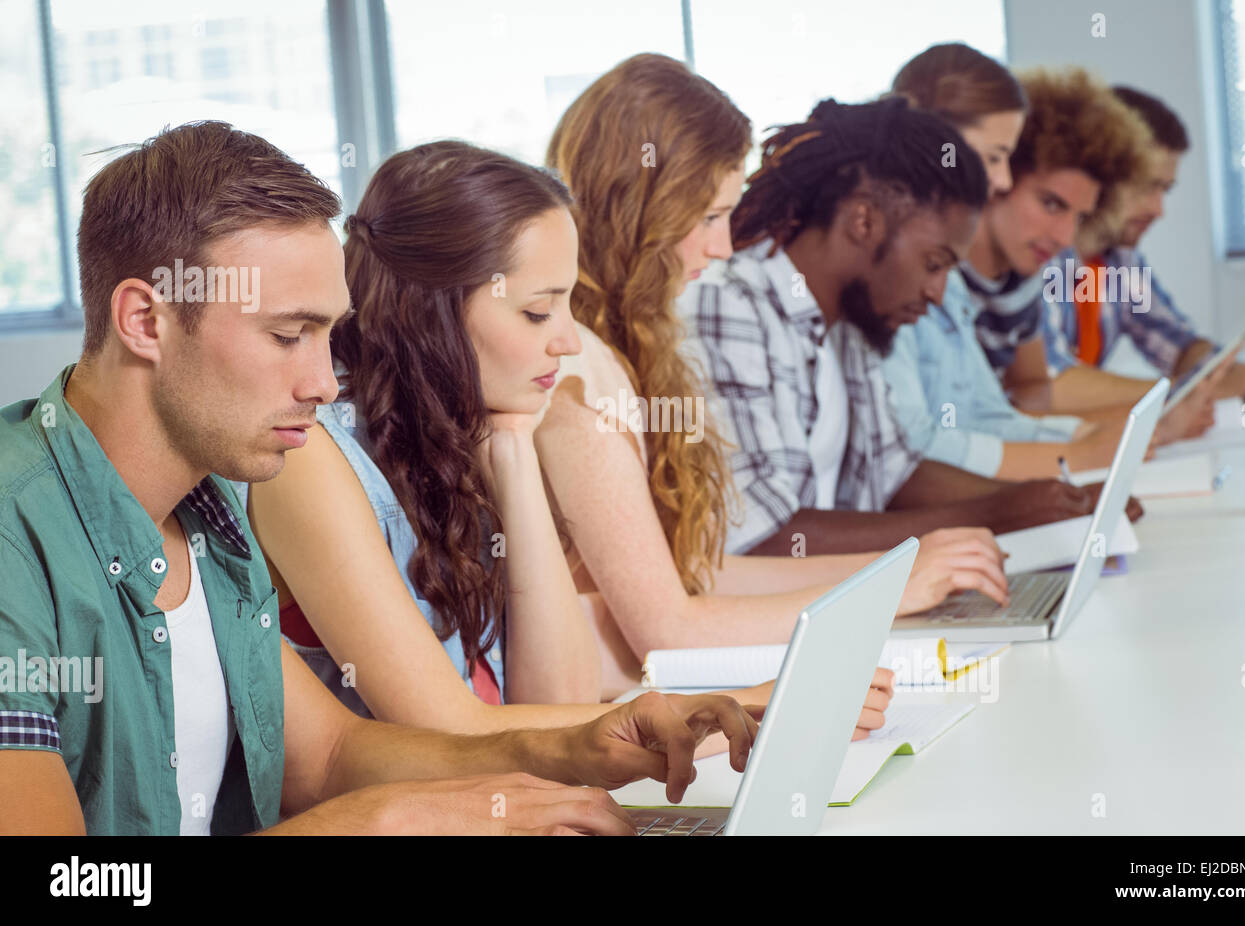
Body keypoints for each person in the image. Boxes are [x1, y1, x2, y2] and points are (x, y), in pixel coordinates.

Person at [0, 121, 758, 836]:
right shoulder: (14, 536)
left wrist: (577, 749)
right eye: (288, 335)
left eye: (328, 334)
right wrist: (374, 823)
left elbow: (328, 755)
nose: (326, 382)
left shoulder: (206, 513)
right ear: (144, 321)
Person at [246, 137, 895, 738]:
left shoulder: (466, 431)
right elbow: (451, 737)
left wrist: (513, 452)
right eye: (536, 311)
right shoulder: (311, 459)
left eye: (568, 306)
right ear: (431, 315)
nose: (567, 340)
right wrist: (741, 709)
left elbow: (556, 695)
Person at [541, 53, 1009, 694]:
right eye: (706, 218)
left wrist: (891, 573)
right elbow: (668, 629)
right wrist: (895, 584)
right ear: (638, 208)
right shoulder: (577, 369)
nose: (724, 245)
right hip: (617, 714)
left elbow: (699, 572)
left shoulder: (630, 349)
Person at [679, 95, 1137, 561]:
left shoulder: (848, 326)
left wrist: (1057, 500)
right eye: (933, 264)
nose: (937, 293)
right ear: (864, 222)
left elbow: (895, 476)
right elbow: (767, 538)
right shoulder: (730, 304)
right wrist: (1002, 512)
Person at [882, 44, 1133, 479]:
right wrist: (1073, 456)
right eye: (994, 158)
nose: (1000, 179)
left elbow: (985, 414)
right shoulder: (886, 267)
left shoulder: (957, 278)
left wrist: (1085, 437)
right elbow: (912, 453)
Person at [961, 69, 1220, 438]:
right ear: (1001, 177)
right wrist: (1161, 414)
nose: (1066, 236)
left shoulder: (1022, 280)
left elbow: (1032, 398)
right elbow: (977, 430)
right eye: (1051, 204)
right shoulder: (954, 281)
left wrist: (1155, 423)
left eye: (1080, 215)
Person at [1036, 85, 1245, 401]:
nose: (1157, 210)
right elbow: (1048, 383)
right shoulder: (1042, 254)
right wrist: (1189, 393)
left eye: (1165, 189)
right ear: (1102, 175)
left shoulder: (1120, 262)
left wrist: (1239, 374)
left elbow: (1178, 343)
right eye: (1146, 186)